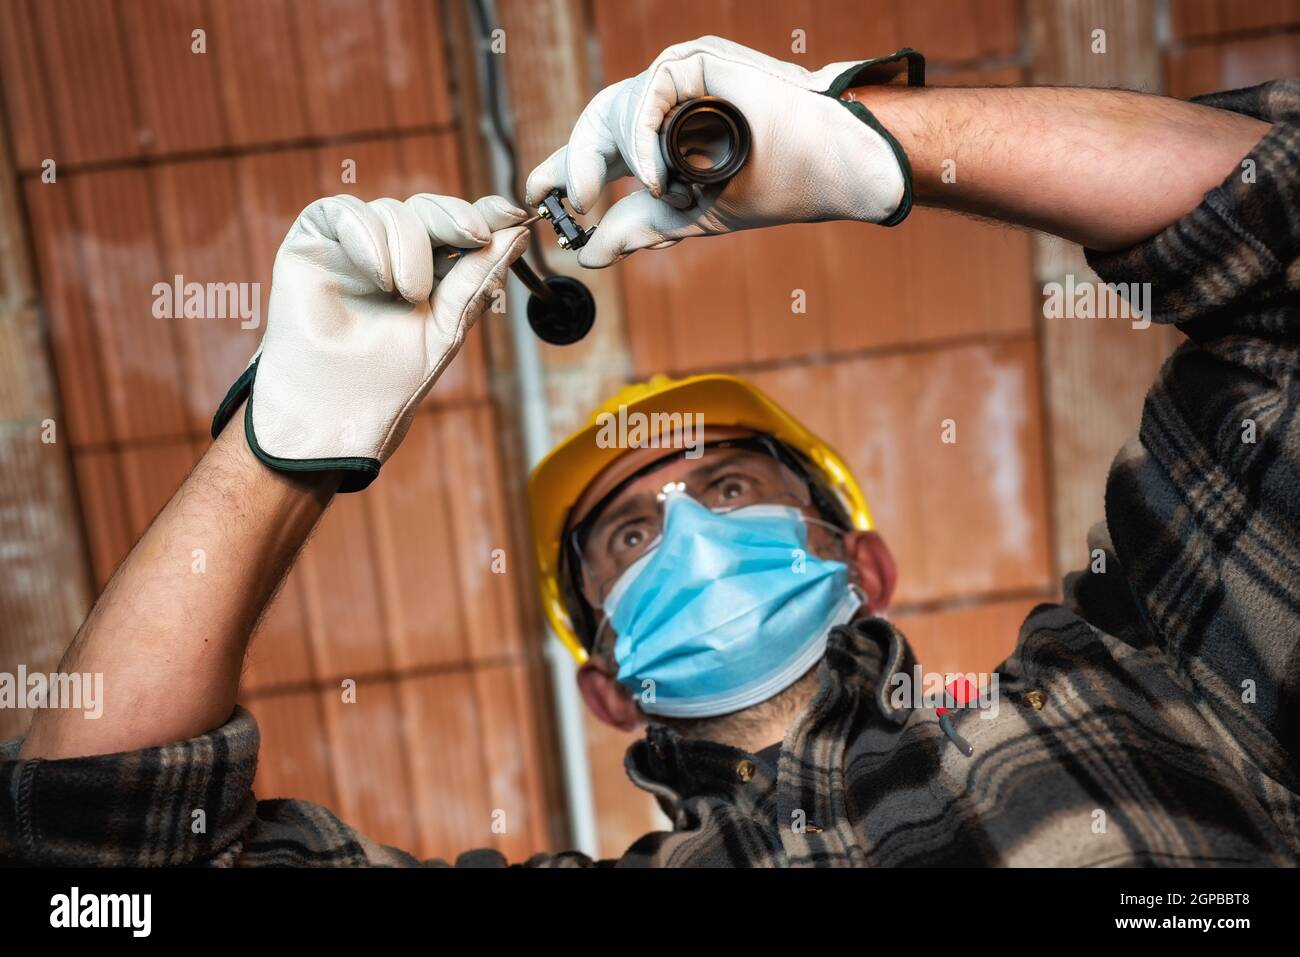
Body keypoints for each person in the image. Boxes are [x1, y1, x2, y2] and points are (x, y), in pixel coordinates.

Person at [2, 38, 1296, 867]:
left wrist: (886, 143)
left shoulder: (1160, 699)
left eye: (728, 486)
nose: (687, 525)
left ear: (868, 560)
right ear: (605, 686)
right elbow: (95, 872)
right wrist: (284, 441)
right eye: (629, 536)